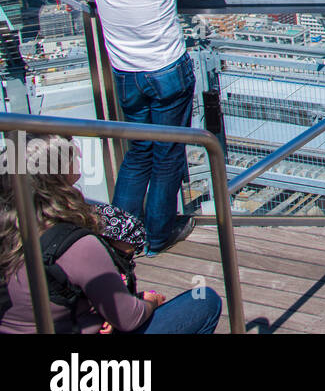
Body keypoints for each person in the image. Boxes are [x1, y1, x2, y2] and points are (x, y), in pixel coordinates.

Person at [72, 0, 225, 255]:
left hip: (126, 72)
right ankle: (158, 235)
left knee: (137, 151)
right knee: (168, 151)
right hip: (166, 69)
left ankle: (120, 239)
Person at [0, 134, 222, 334]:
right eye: (69, 150)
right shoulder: (75, 245)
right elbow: (129, 318)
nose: (76, 150)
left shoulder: (8, 231)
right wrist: (150, 301)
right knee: (204, 302)